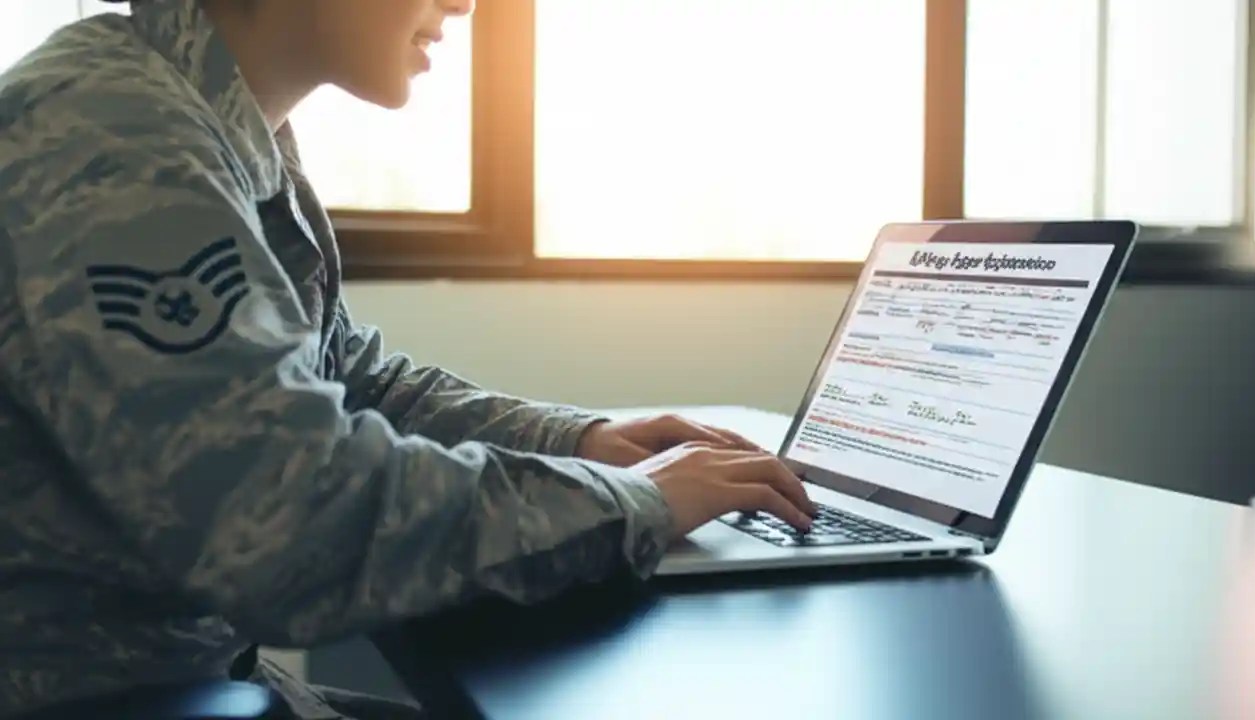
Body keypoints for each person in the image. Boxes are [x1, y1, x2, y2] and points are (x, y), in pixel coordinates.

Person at [0, 1, 816, 717]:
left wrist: (580, 442)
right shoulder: (112, 136)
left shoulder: (214, 119)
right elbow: (289, 522)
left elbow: (349, 375)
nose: (464, 3)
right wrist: (630, 504)